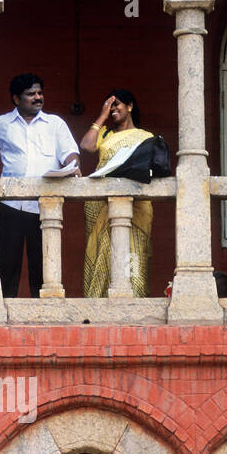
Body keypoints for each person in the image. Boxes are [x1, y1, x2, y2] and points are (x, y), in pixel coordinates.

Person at [0, 74, 80, 297]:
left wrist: (73, 165)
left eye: (39, 93)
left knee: (43, 268)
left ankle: (42, 316)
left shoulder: (55, 124)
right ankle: (3, 313)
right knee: (7, 264)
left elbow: (70, 152)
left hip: (45, 208)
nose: (37, 97)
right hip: (10, 206)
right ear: (16, 99)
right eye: (31, 94)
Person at [81, 89, 154, 298]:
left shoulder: (146, 138)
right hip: (100, 204)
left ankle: (134, 300)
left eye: (117, 105)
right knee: (99, 254)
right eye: (109, 106)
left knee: (134, 253)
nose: (113, 109)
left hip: (135, 206)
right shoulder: (104, 134)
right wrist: (102, 116)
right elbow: (86, 146)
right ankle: (96, 303)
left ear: (130, 106)